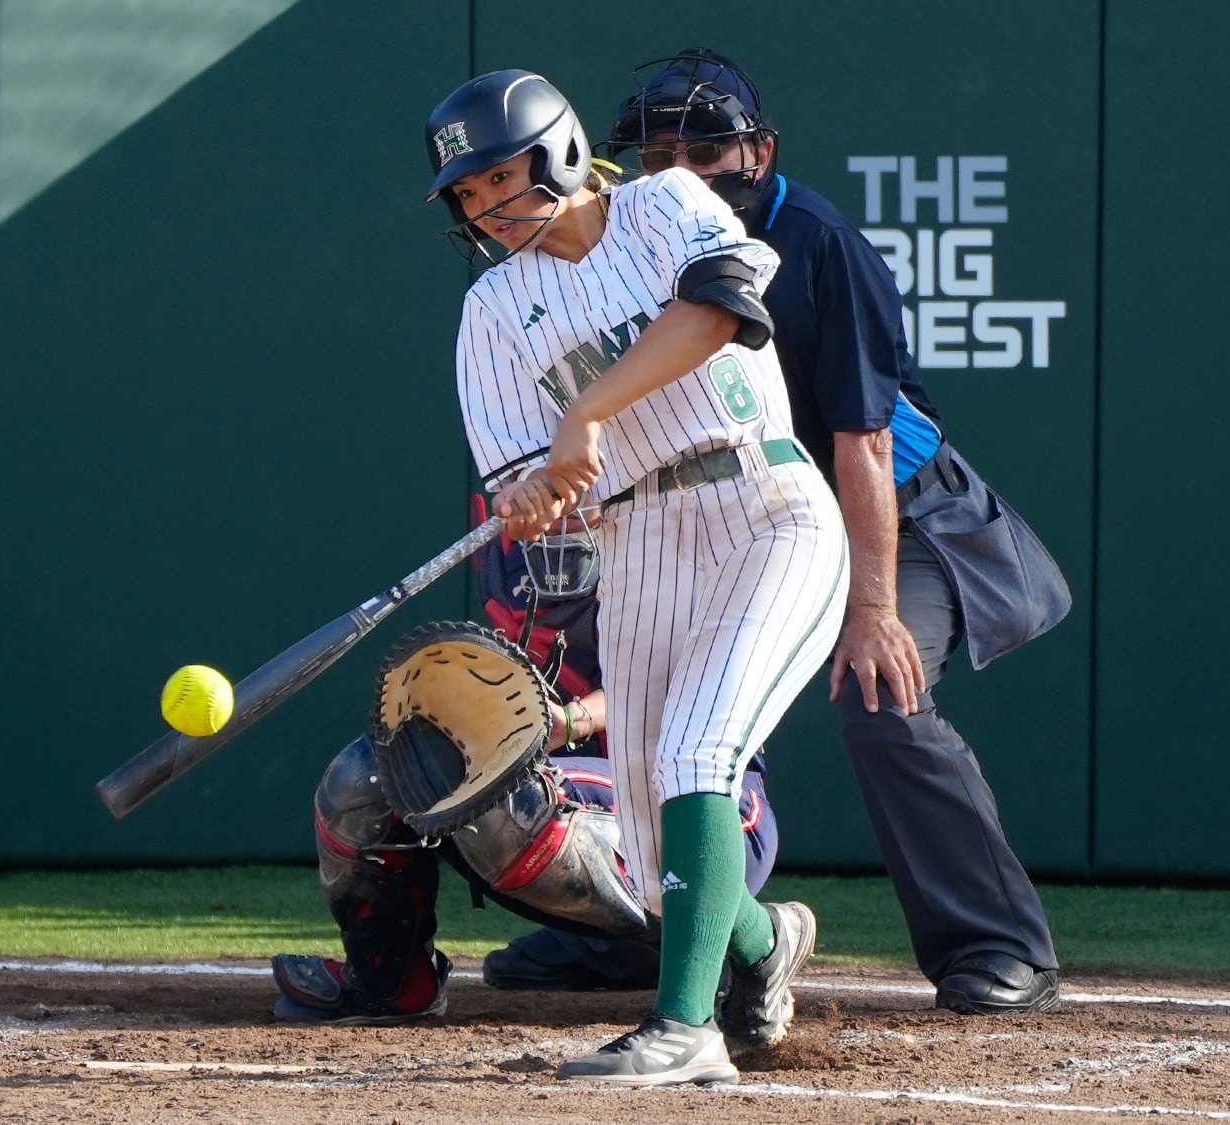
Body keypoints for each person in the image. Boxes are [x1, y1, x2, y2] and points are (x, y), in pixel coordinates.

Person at [603, 50, 1072, 1016]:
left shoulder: (820, 245)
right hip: (746, 517)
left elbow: (864, 443)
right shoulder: (633, 247)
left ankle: (1000, 944)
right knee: (667, 708)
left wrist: (871, 608)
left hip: (904, 513)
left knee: (878, 693)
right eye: (657, 154)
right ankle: (624, 935)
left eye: (705, 148)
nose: (681, 171)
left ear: (761, 152)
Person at [425, 68, 849, 1085]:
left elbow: (718, 310)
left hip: (763, 504)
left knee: (700, 751)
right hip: (638, 540)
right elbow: (527, 476)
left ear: (562, 152)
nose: (488, 206)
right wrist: (533, 495)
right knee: (656, 869)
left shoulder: (664, 202)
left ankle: (683, 1028)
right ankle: (764, 945)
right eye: (469, 194)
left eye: (500, 177)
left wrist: (586, 414)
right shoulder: (491, 310)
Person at [268, 518, 779, 1023]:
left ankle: (731, 944)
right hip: (580, 796)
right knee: (368, 779)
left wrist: (573, 719)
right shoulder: (507, 550)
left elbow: (684, 682)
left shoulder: (680, 527)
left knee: (515, 803)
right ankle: (393, 982)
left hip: (704, 808)